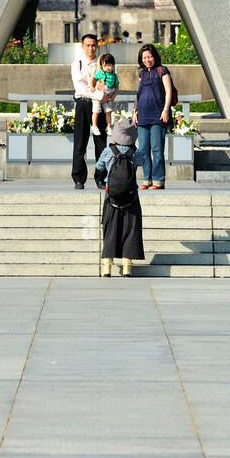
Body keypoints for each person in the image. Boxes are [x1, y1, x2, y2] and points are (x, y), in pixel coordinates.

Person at [94, 119, 145, 276]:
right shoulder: (135, 153)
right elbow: (141, 162)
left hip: (112, 196)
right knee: (130, 229)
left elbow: (99, 168)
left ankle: (106, 267)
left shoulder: (108, 151)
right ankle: (127, 265)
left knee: (110, 229)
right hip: (131, 195)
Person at [132, 43, 173, 190]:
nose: (147, 59)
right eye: (144, 57)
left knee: (157, 149)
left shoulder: (162, 70)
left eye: (150, 56)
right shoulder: (142, 74)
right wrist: (134, 112)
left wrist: (166, 110)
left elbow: (169, 91)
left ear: (154, 56)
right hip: (142, 116)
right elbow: (139, 95)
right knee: (143, 149)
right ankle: (146, 179)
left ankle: (158, 180)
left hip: (158, 115)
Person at [70, 32, 107, 189]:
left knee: (101, 143)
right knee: (80, 142)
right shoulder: (77, 64)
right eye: (88, 45)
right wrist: (99, 94)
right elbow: (81, 87)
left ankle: (101, 177)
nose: (91, 48)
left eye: (94, 45)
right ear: (82, 46)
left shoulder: (103, 64)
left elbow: (109, 83)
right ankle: (79, 178)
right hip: (84, 104)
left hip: (100, 106)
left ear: (97, 46)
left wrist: (104, 93)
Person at [91, 52, 119, 135]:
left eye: (109, 65)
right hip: (99, 95)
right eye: (105, 66)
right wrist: (92, 87)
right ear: (102, 66)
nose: (107, 68)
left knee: (108, 111)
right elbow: (93, 77)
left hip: (109, 96)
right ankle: (94, 126)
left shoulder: (114, 75)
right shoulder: (101, 73)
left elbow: (117, 87)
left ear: (113, 65)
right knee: (96, 110)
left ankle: (109, 126)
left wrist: (114, 96)